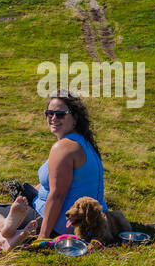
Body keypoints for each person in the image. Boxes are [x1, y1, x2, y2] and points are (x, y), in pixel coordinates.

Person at [33, 92, 105, 239]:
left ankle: (5, 237)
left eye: (60, 114)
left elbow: (58, 195)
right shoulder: (84, 143)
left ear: (75, 118)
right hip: (93, 224)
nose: (53, 118)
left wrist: (43, 236)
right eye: (49, 113)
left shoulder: (63, 148)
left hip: (65, 224)